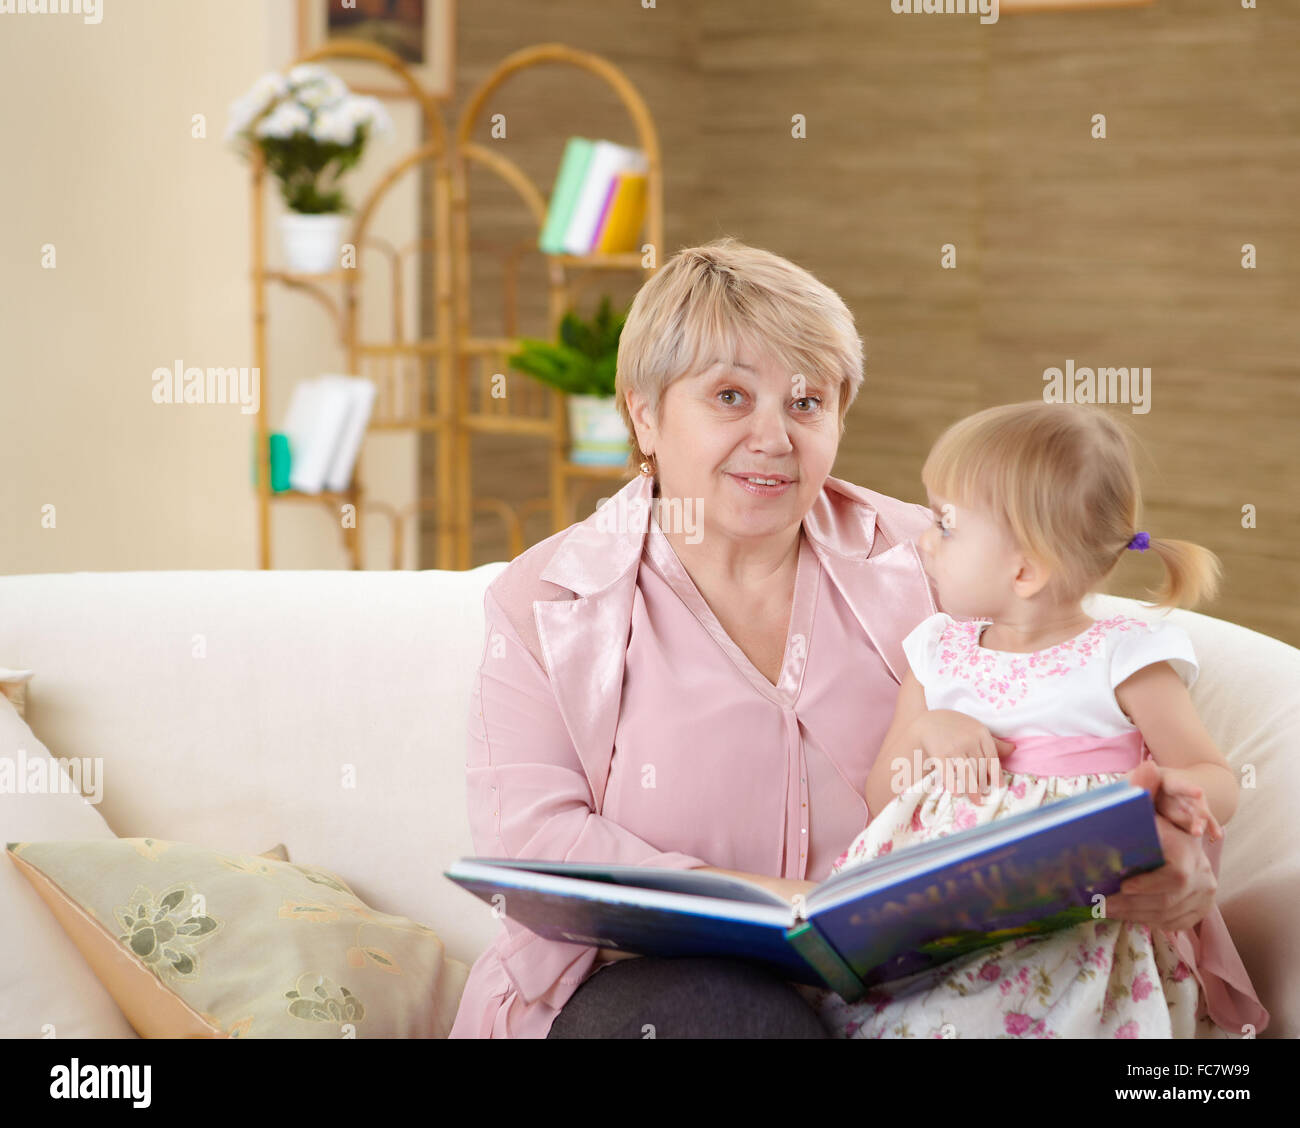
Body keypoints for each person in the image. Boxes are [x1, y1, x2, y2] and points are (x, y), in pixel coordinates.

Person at [447, 240, 1220, 1038]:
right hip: (648, 991)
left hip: (921, 993)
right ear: (645, 411)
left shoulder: (945, 558)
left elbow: (1091, 725)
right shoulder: (547, 599)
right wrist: (785, 907)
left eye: (808, 402)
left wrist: (1175, 866)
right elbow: (535, 844)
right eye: (730, 396)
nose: (775, 437)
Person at [809, 401, 1269, 1038]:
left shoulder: (1123, 656)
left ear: (1024, 570)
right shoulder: (937, 650)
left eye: (946, 524)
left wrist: (1176, 797)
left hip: (1074, 927)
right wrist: (925, 732)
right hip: (938, 927)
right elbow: (883, 795)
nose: (923, 538)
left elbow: (1213, 775)